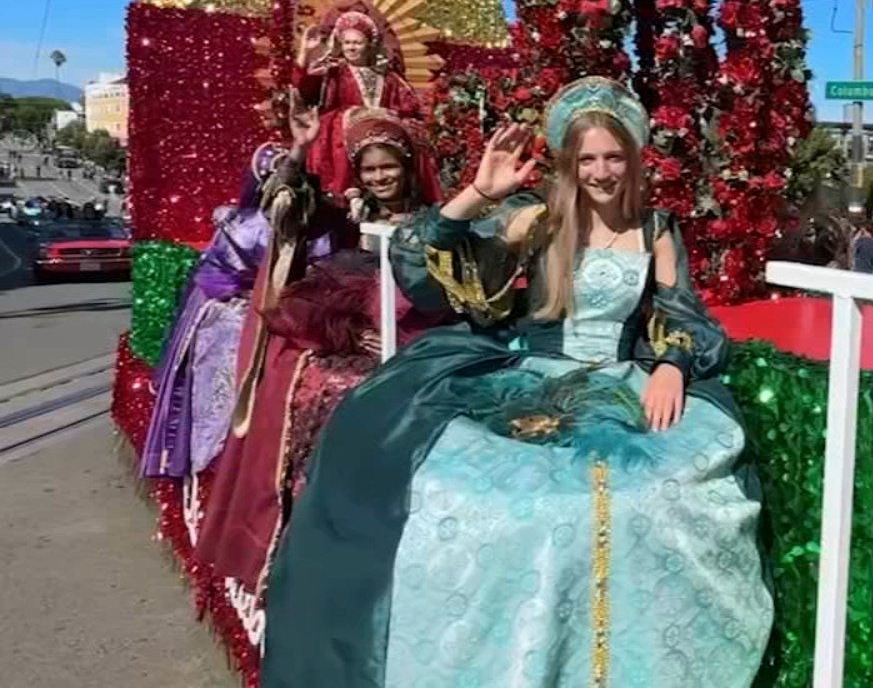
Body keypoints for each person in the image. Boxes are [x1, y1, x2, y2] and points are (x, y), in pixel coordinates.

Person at [260, 76, 772, 688]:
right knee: (475, 495)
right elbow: (418, 266)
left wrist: (672, 365)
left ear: (634, 158)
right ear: (568, 162)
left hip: (622, 380)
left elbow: (683, 314)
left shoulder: (655, 228)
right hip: (527, 375)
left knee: (660, 495)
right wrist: (478, 194)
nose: (601, 172)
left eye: (613, 157)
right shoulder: (536, 217)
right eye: (587, 159)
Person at [195, 105, 440, 589]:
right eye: (369, 170)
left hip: (418, 338)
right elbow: (285, 206)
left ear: (408, 166)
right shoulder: (349, 215)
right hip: (358, 338)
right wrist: (300, 149)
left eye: (388, 167)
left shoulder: (435, 219)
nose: (379, 178)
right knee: (315, 388)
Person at [139, 143, 340, 478]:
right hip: (237, 314)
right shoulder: (242, 226)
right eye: (279, 185)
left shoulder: (319, 230)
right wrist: (254, 299)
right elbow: (214, 277)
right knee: (230, 350)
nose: (286, 195)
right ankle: (219, 464)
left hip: (297, 315)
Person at [292, 9, 438, 197]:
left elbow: (409, 109)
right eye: (347, 42)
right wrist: (305, 52)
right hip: (340, 137)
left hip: (382, 140)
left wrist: (388, 117)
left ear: (369, 44)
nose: (351, 47)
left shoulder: (388, 77)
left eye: (357, 42)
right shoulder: (333, 72)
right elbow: (302, 90)